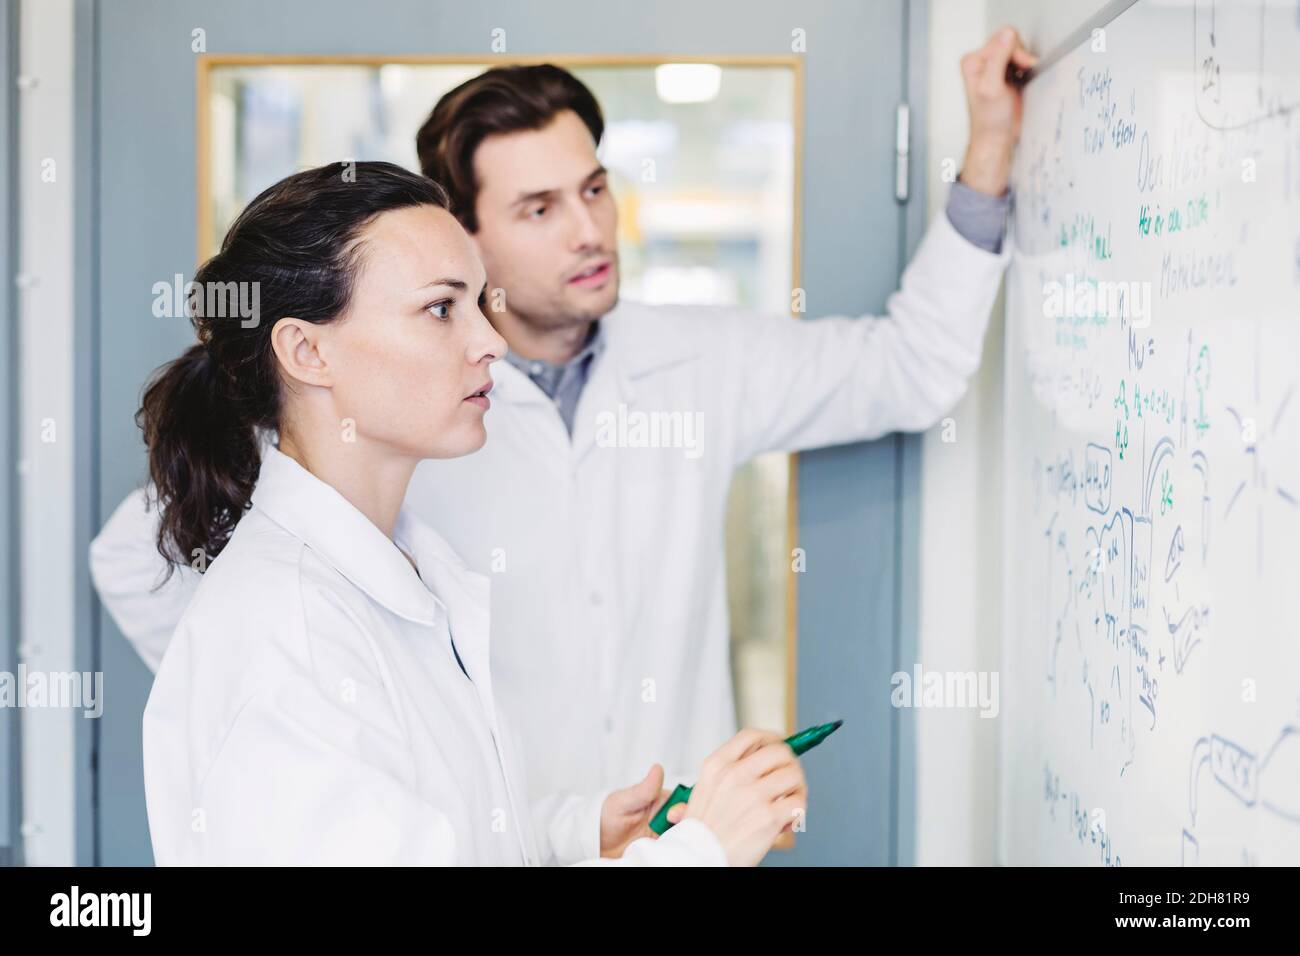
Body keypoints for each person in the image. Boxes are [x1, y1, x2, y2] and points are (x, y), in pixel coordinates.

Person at [94, 29, 1035, 842]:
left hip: (629, 828)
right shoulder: (365, 422)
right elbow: (142, 564)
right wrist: (318, 707)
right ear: (460, 232)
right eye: (539, 209)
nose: (589, 231)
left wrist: (990, 147)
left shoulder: (699, 356)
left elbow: (912, 366)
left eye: (594, 190)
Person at [139, 161, 806, 865]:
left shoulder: (410, 568)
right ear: (307, 350)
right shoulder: (286, 635)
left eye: (481, 304)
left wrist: (576, 836)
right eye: (440, 309)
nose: (491, 341)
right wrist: (704, 849)